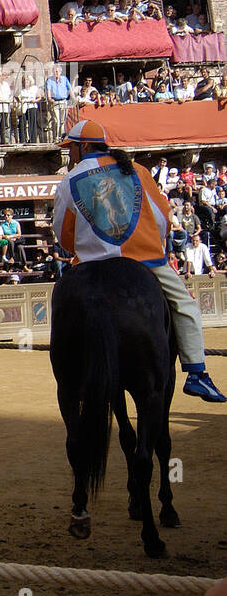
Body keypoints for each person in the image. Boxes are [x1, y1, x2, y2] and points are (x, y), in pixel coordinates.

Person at [54, 120, 223, 402]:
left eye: (70, 147)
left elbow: (62, 232)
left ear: (83, 146)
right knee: (185, 305)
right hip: (146, 259)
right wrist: (150, 242)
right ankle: (196, 372)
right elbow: (161, 216)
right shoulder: (138, 170)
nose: (69, 154)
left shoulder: (69, 180)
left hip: (91, 263)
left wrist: (79, 250)